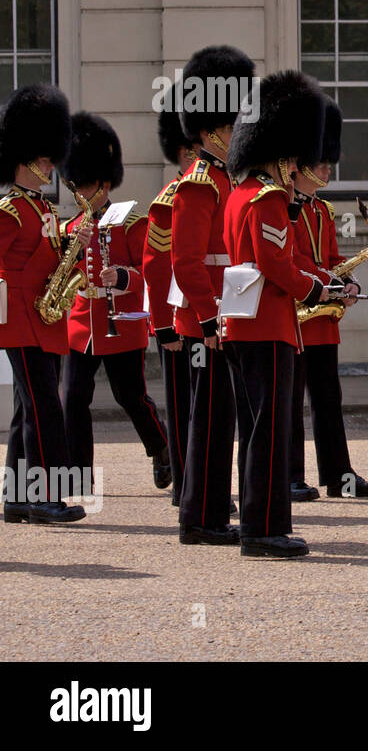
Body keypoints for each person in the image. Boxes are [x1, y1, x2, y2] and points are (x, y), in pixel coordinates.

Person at [223, 70, 334, 558]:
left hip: (241, 323)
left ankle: (259, 523)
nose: (296, 167)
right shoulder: (267, 198)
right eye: (291, 159)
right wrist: (313, 289)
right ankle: (264, 530)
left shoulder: (240, 195)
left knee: (255, 429)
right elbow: (275, 265)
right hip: (267, 325)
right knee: (268, 430)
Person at [60, 112, 170, 491]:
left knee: (130, 397)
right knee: (73, 398)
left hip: (121, 323)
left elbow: (151, 271)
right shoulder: (72, 227)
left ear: (104, 185)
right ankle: (78, 475)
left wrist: (122, 277)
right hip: (81, 325)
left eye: (85, 187)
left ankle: (161, 447)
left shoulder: (131, 223)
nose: (79, 195)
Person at [172, 45, 252, 546]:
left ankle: (211, 512)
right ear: (207, 133)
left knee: (222, 418)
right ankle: (199, 519)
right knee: (207, 421)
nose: (235, 134)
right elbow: (185, 261)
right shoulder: (200, 184)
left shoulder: (227, 178)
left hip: (226, 313)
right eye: (228, 129)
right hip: (208, 320)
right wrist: (207, 319)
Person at [0, 83, 88, 524]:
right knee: (43, 408)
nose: (51, 165)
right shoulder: (10, 209)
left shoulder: (40, 208)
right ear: (23, 159)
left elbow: (51, 253)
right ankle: (44, 496)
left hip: (43, 316)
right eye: (44, 158)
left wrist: (76, 239)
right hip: (19, 320)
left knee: (27, 407)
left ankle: (17, 498)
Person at [289, 98, 368, 500]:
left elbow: (331, 258)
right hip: (293, 314)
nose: (328, 169)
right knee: (289, 402)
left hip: (322, 316)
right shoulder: (282, 206)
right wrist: (325, 279)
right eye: (322, 162)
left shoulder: (323, 210)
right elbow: (286, 260)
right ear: (300, 164)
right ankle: (290, 475)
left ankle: (339, 476)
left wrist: (350, 283)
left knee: (329, 398)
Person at [143, 106, 202, 507]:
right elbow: (156, 264)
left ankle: (198, 486)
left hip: (200, 315)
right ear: (186, 152)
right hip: (179, 321)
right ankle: (185, 485)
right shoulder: (172, 196)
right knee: (183, 411)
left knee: (203, 410)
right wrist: (164, 326)